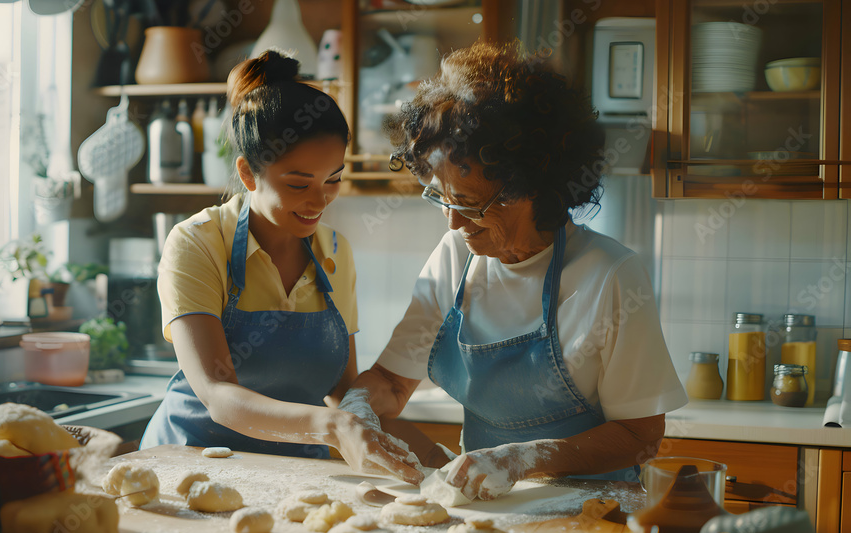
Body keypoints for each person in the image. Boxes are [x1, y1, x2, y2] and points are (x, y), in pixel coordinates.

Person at [344, 41, 688, 499]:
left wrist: (521, 459)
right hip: (480, 511)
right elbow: (391, 382)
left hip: (590, 513)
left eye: (468, 203)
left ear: (534, 188)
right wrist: (357, 407)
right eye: (440, 197)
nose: (452, 222)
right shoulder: (453, 257)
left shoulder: (610, 275)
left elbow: (640, 436)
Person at [140, 51, 423, 485]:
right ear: (249, 174)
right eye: (297, 184)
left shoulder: (334, 251)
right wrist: (333, 428)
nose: (320, 200)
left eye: (333, 179)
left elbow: (342, 392)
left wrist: (423, 451)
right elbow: (218, 394)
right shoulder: (197, 243)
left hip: (294, 475)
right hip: (190, 471)